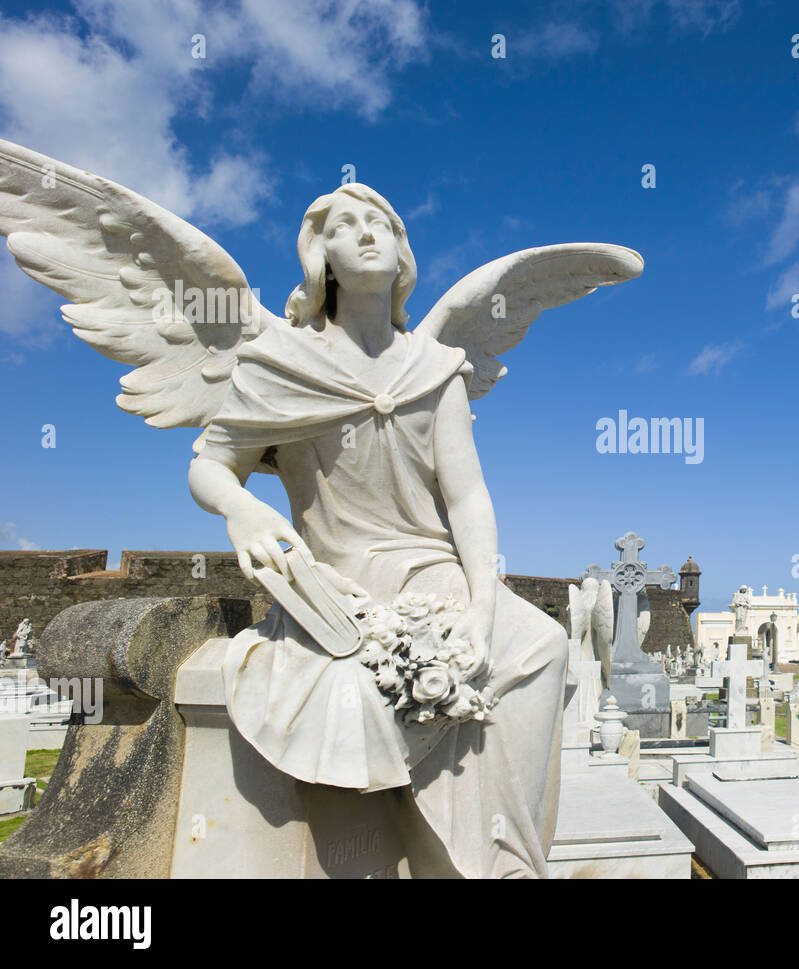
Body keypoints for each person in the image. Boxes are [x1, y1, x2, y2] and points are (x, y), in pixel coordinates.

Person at [189, 184, 568, 878]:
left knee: (541, 643)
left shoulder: (436, 367)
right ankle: (456, 861)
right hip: (339, 583)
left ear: (402, 253)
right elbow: (212, 465)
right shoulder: (282, 361)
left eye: (381, 224)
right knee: (416, 672)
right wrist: (242, 509)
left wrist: (484, 605)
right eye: (346, 225)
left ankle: (508, 856)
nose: (367, 234)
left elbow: (468, 496)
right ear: (322, 257)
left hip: (436, 572)